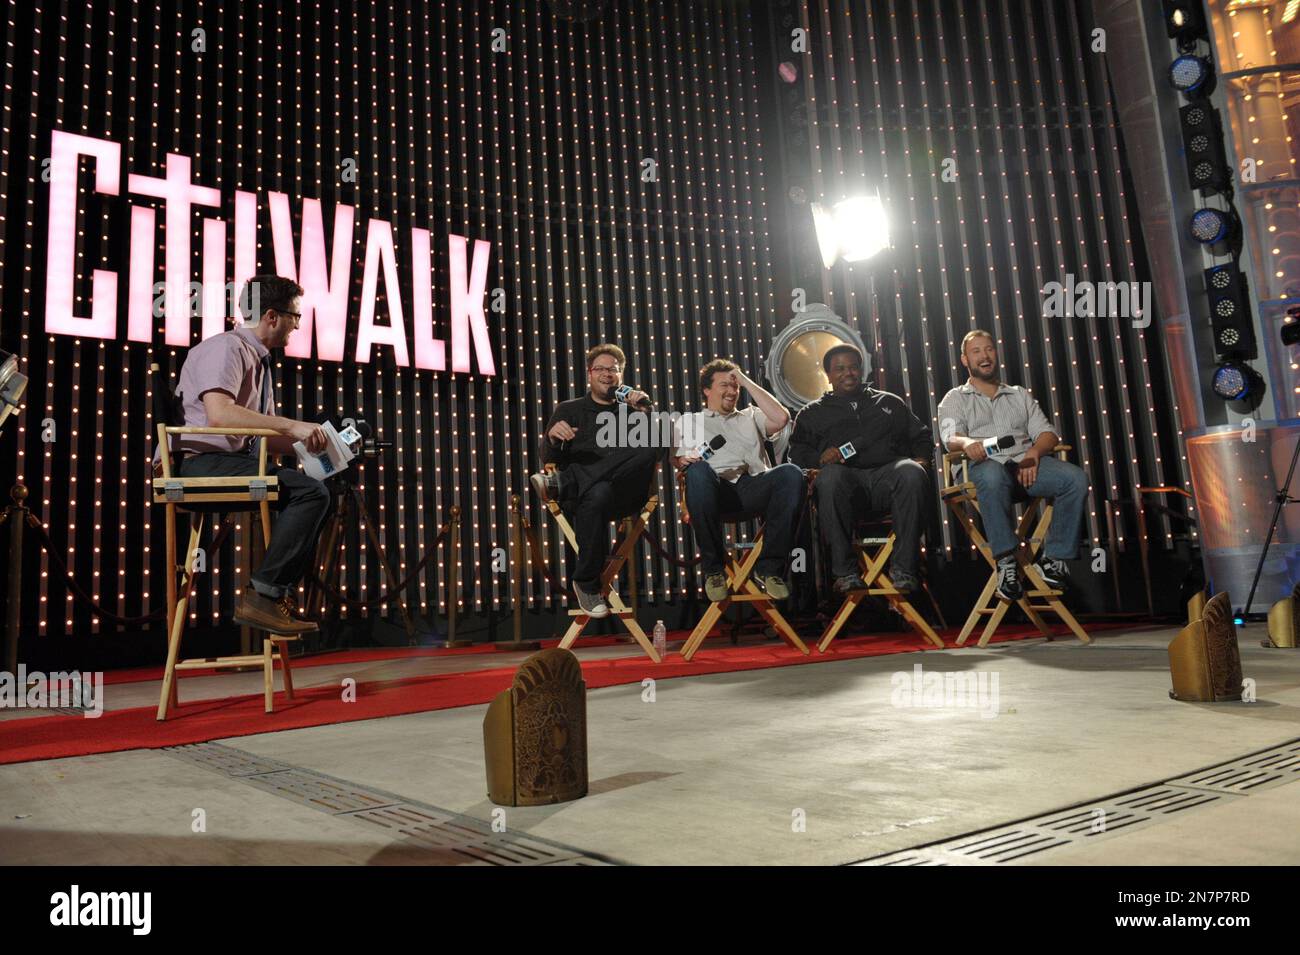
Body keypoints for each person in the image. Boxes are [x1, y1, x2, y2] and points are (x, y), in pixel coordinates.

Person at [157, 275, 332, 634]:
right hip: (195, 466)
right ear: (271, 316)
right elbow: (220, 415)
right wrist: (290, 426)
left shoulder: (258, 360)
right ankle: (264, 596)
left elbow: (258, 433)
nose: (297, 326)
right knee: (309, 492)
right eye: (294, 317)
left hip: (228, 461)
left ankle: (269, 596)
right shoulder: (227, 348)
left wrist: (318, 441)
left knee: (322, 489)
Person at [937, 329, 1089, 601]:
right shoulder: (954, 398)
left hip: (1024, 467)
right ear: (965, 360)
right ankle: (1006, 560)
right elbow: (950, 437)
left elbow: (1048, 434)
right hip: (983, 468)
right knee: (992, 473)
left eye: (989, 349)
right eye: (976, 351)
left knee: (1074, 478)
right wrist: (968, 443)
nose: (984, 356)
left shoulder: (1019, 394)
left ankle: (1053, 560)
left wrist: (1033, 452)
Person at [790, 343, 933, 595]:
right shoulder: (811, 413)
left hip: (887, 477)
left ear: (861, 370)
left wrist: (921, 459)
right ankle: (845, 574)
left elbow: (920, 436)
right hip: (844, 485)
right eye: (840, 369)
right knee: (830, 477)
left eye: (853, 367)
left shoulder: (889, 402)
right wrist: (819, 458)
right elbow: (797, 453)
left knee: (911, 471)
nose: (848, 373)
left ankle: (904, 571)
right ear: (829, 375)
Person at [531, 344, 660, 618]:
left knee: (651, 444)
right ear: (589, 374)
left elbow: (657, 450)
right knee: (597, 494)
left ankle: (566, 481)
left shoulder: (633, 411)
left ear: (621, 375)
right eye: (600, 369)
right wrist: (553, 437)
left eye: (613, 369)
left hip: (624, 492)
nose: (607, 374)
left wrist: (645, 411)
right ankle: (586, 583)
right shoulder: (569, 409)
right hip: (590, 498)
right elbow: (547, 456)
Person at [671, 359, 802, 602]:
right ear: (707, 390)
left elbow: (781, 419)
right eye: (724, 385)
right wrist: (685, 461)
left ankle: (769, 569)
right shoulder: (688, 421)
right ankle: (714, 570)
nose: (732, 391)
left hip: (753, 487)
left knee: (791, 472)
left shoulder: (751, 415)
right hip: (714, 491)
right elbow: (678, 461)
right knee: (698, 472)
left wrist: (743, 379)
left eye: (735, 387)